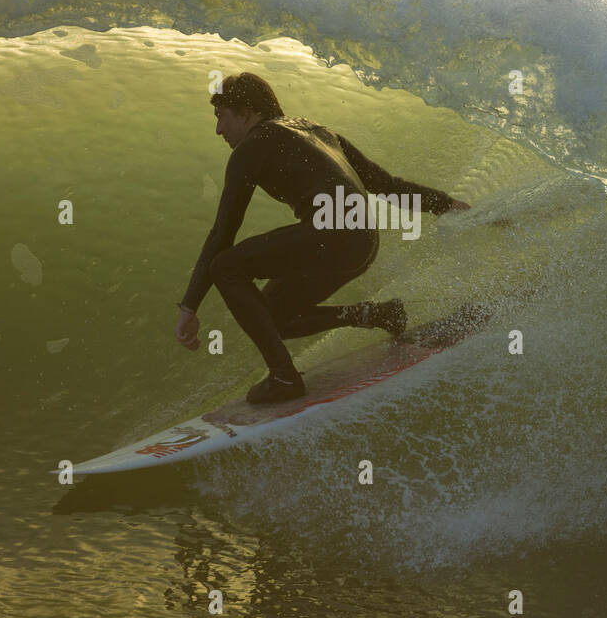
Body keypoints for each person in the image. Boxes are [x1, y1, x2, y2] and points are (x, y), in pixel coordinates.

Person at [174, 72, 470, 404]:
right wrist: (446, 204)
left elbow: (222, 232)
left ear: (246, 112)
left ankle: (284, 378)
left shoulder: (254, 145)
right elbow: (386, 184)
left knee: (225, 266)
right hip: (362, 241)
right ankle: (378, 314)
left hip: (331, 236)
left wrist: (189, 306)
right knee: (273, 318)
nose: (218, 130)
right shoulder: (318, 131)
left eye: (221, 117)